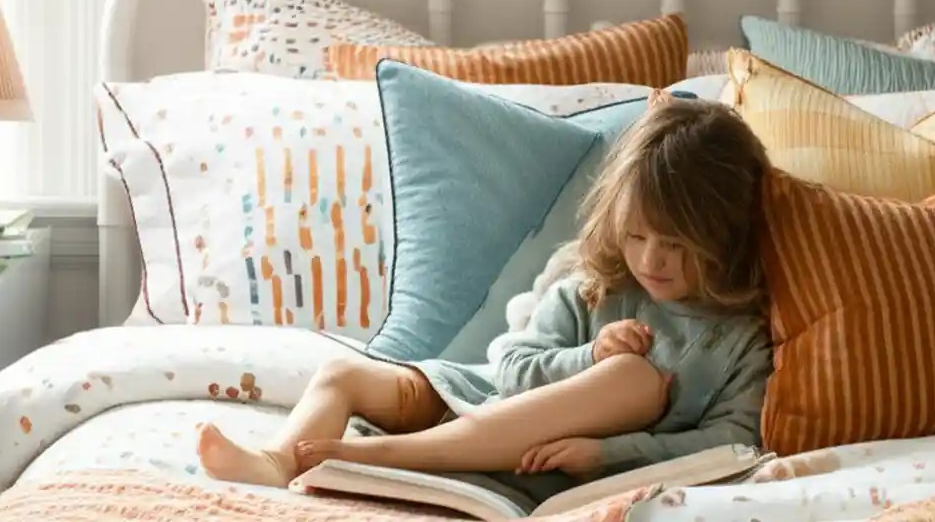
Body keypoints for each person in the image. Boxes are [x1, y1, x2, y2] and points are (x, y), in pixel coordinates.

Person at [195, 90, 775, 490]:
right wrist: (588, 355)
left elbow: (732, 443)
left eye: (675, 244)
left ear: (723, 235)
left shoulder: (740, 340)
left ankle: (368, 459)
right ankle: (277, 461)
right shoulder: (595, 286)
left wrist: (611, 453)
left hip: (523, 457)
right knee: (342, 375)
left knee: (636, 380)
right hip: (472, 399)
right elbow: (515, 367)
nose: (651, 259)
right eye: (637, 235)